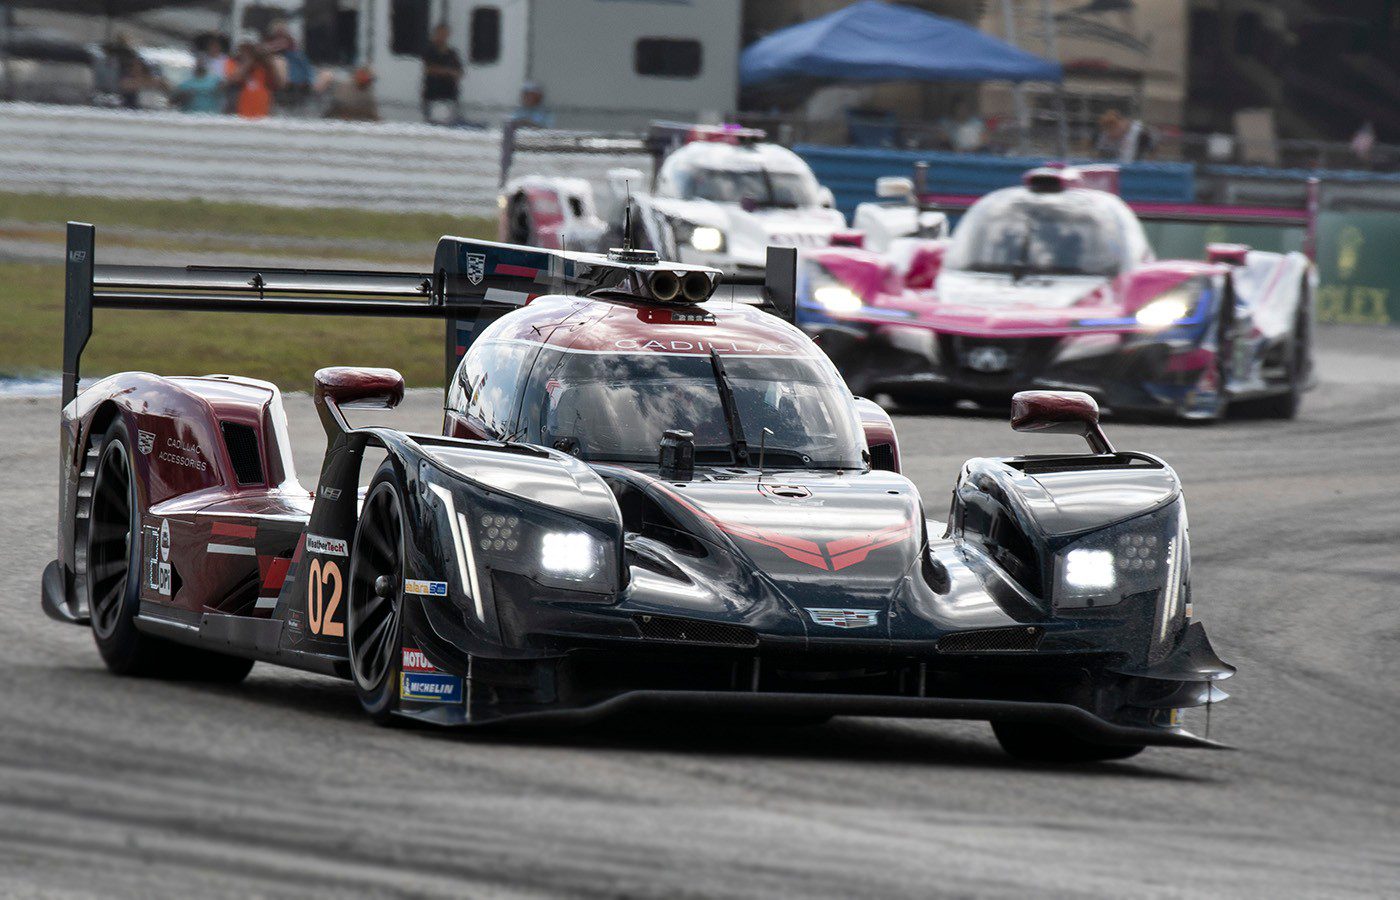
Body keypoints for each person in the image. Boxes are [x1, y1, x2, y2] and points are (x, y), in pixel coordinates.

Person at [224, 35, 282, 119]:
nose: (247, 51)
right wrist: (249, 60)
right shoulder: (233, 62)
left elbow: (279, 83)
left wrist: (268, 60)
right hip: (239, 114)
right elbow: (235, 79)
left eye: (250, 49)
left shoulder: (263, 66)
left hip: (263, 113)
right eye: (244, 49)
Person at [421, 22, 463, 124]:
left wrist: (451, 73)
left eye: (445, 34)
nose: (442, 36)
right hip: (433, 95)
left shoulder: (452, 53)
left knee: (449, 124)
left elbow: (459, 72)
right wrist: (447, 71)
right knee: (433, 124)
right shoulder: (429, 50)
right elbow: (429, 69)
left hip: (449, 96)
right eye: (440, 33)